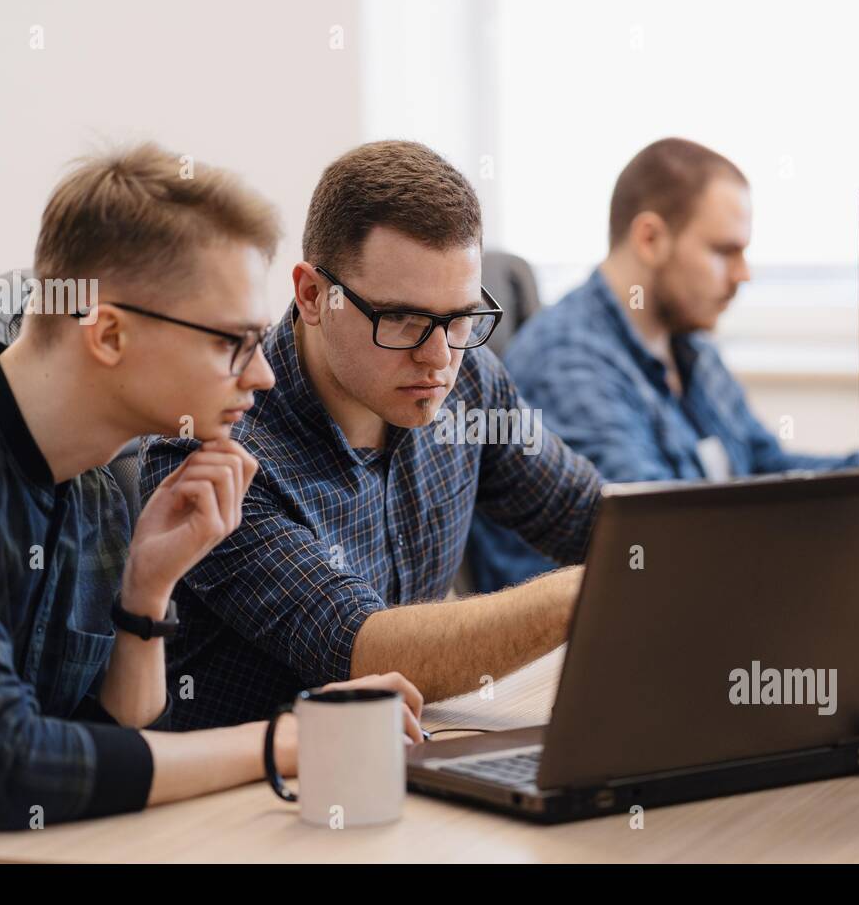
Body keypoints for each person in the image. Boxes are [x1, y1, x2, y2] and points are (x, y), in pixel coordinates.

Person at [0, 143, 421, 862]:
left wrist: (147, 594)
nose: (265, 374)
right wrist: (286, 739)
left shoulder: (94, 488)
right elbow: (2, 767)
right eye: (235, 343)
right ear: (108, 332)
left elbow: (105, 755)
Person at [140, 141, 604, 729]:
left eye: (460, 317)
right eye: (404, 319)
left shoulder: (467, 384)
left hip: (410, 761)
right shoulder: (213, 444)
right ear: (313, 295)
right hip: (254, 799)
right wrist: (581, 593)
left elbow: (590, 517)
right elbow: (361, 653)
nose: (439, 357)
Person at [467, 137, 859, 592]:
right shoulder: (567, 362)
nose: (743, 274)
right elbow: (657, 537)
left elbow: (765, 467)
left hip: (699, 595)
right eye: (723, 251)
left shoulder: (689, 346)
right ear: (650, 239)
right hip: (589, 635)